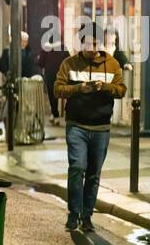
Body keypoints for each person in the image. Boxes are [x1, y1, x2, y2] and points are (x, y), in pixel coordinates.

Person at [53, 20, 125, 233]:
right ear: (81, 43)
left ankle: (87, 216)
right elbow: (58, 89)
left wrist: (106, 87)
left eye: (96, 43)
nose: (92, 48)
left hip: (101, 128)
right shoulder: (69, 63)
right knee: (77, 168)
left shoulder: (112, 64)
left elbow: (122, 90)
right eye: (88, 43)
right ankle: (73, 214)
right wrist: (78, 89)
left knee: (94, 174)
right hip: (77, 126)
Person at [37, 38, 68, 124]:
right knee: (57, 94)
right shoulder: (63, 48)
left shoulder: (46, 48)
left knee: (51, 95)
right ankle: (54, 114)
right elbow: (68, 60)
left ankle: (55, 114)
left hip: (49, 74)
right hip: (61, 75)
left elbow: (40, 63)